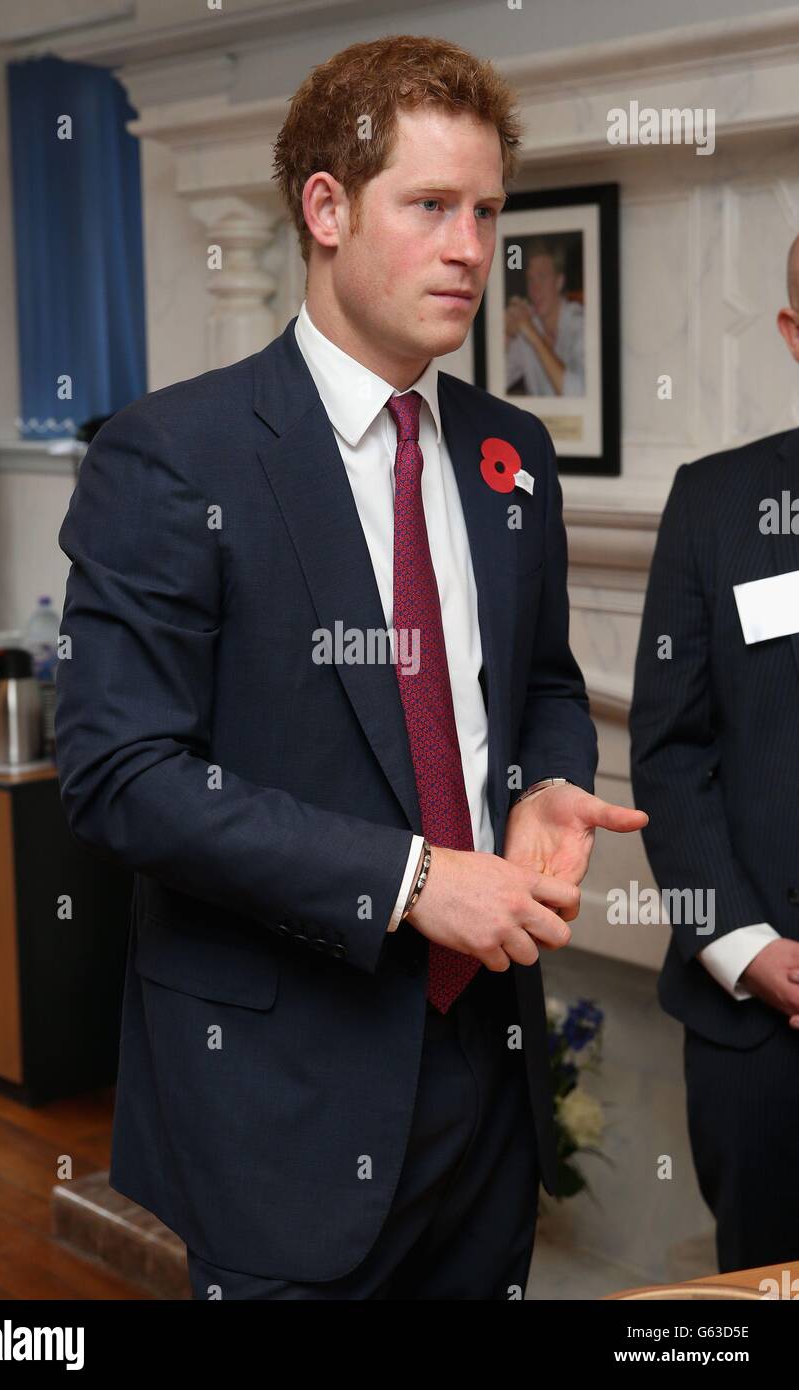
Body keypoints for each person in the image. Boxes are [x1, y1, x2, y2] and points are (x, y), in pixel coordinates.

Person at [55, 33, 645, 1301]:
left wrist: (545, 782)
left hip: (485, 1082)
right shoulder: (173, 457)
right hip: (281, 1101)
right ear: (324, 208)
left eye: (486, 212)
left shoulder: (511, 452)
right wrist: (411, 879)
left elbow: (538, 682)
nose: (472, 249)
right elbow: (118, 774)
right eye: (429, 206)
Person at [629, 234, 799, 1274]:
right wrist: (748, 947)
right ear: (792, 334)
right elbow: (665, 751)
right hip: (757, 1041)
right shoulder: (712, 504)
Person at [505, 239, 585, 397]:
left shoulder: (580, 323)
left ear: (559, 281)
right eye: (531, 279)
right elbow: (492, 383)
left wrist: (534, 336)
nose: (535, 289)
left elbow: (577, 393)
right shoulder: (527, 326)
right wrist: (506, 335)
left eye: (542, 277)